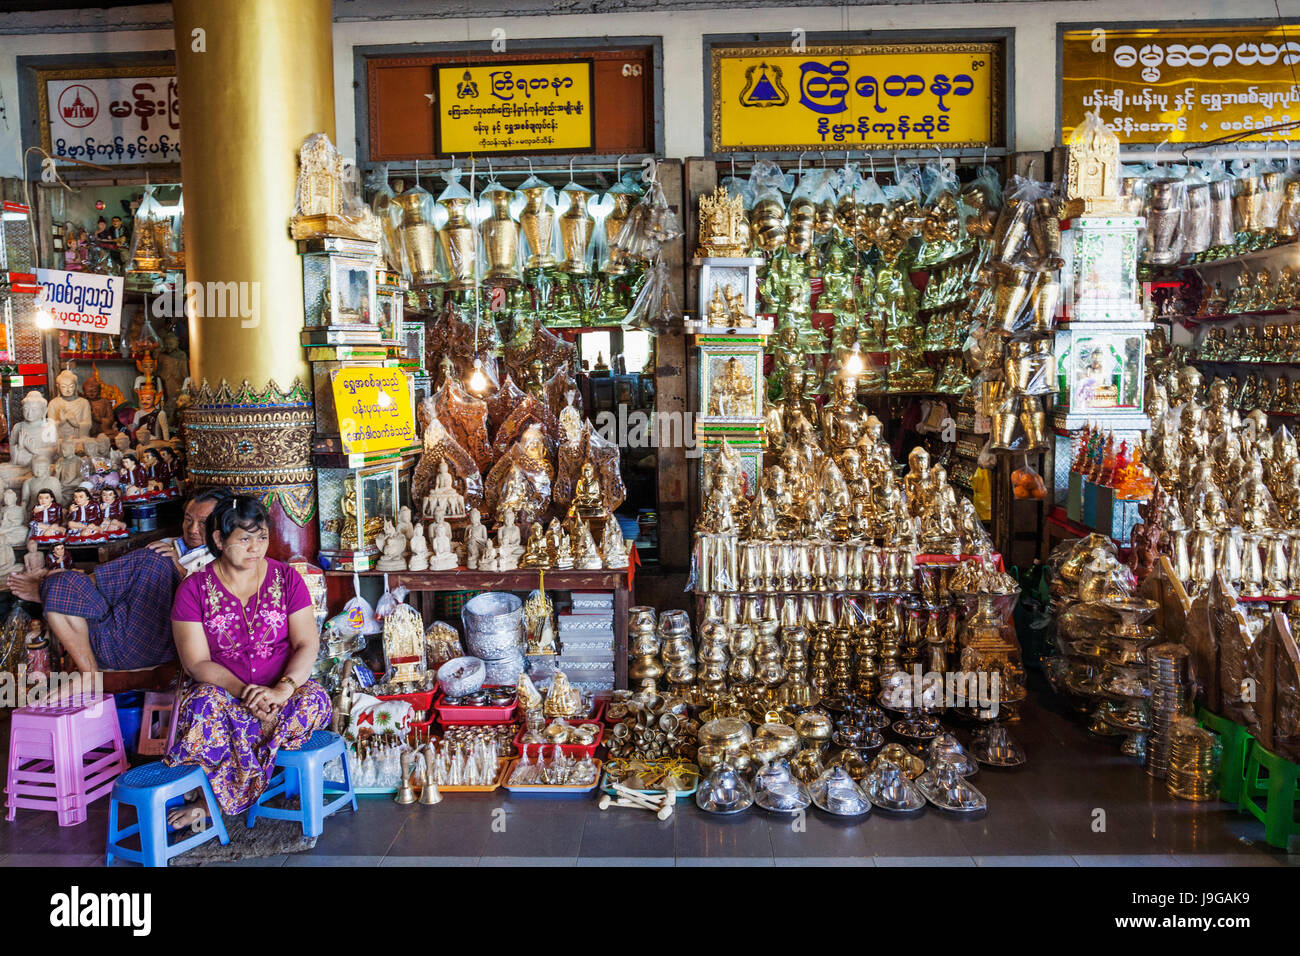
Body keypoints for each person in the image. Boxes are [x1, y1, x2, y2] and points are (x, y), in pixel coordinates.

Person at [164, 495, 330, 823]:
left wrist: (281, 690)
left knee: (313, 700)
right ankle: (215, 798)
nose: (256, 547)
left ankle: (217, 796)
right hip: (227, 696)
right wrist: (244, 691)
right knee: (202, 706)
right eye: (244, 538)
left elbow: (307, 644)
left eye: (262, 537)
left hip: (283, 697)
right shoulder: (193, 589)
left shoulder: (287, 579)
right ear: (219, 539)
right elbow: (196, 663)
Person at [6, 488, 232, 676]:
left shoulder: (225, 559)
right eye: (188, 519)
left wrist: (179, 569)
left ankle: (51, 587)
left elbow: (214, 608)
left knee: (152, 560)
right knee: (60, 584)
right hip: (110, 632)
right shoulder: (171, 544)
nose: (192, 529)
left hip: (155, 643)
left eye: (203, 523)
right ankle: (89, 675)